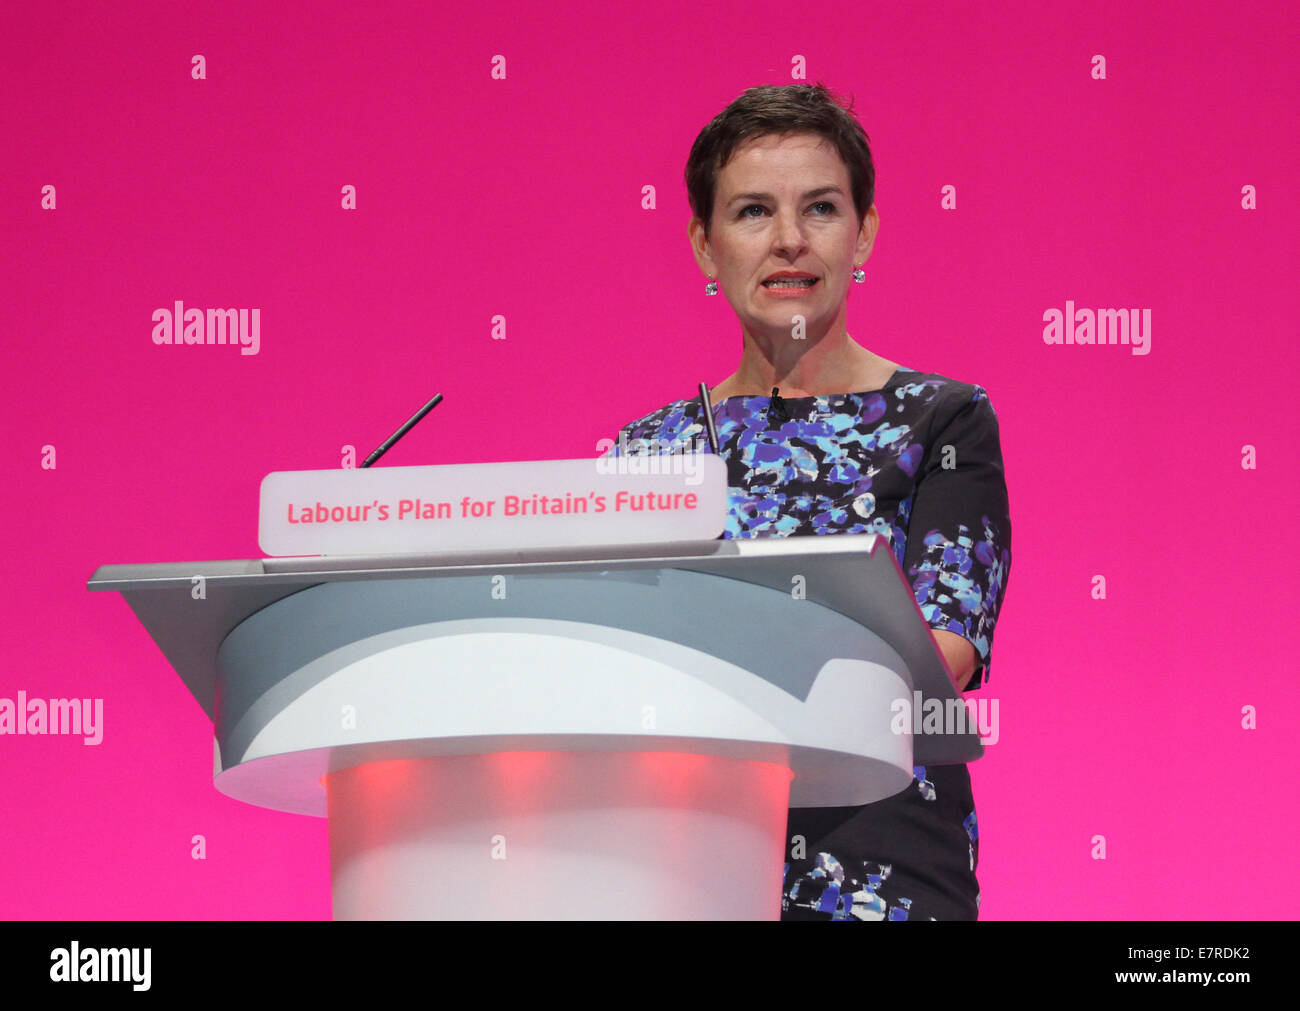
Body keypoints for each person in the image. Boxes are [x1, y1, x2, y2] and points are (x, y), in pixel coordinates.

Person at [606, 82, 1012, 920]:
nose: (789, 240)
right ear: (705, 246)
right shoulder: (645, 450)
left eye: (820, 208)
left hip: (882, 864)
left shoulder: (945, 419)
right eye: (753, 211)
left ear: (863, 232)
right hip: (675, 858)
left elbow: (943, 654)